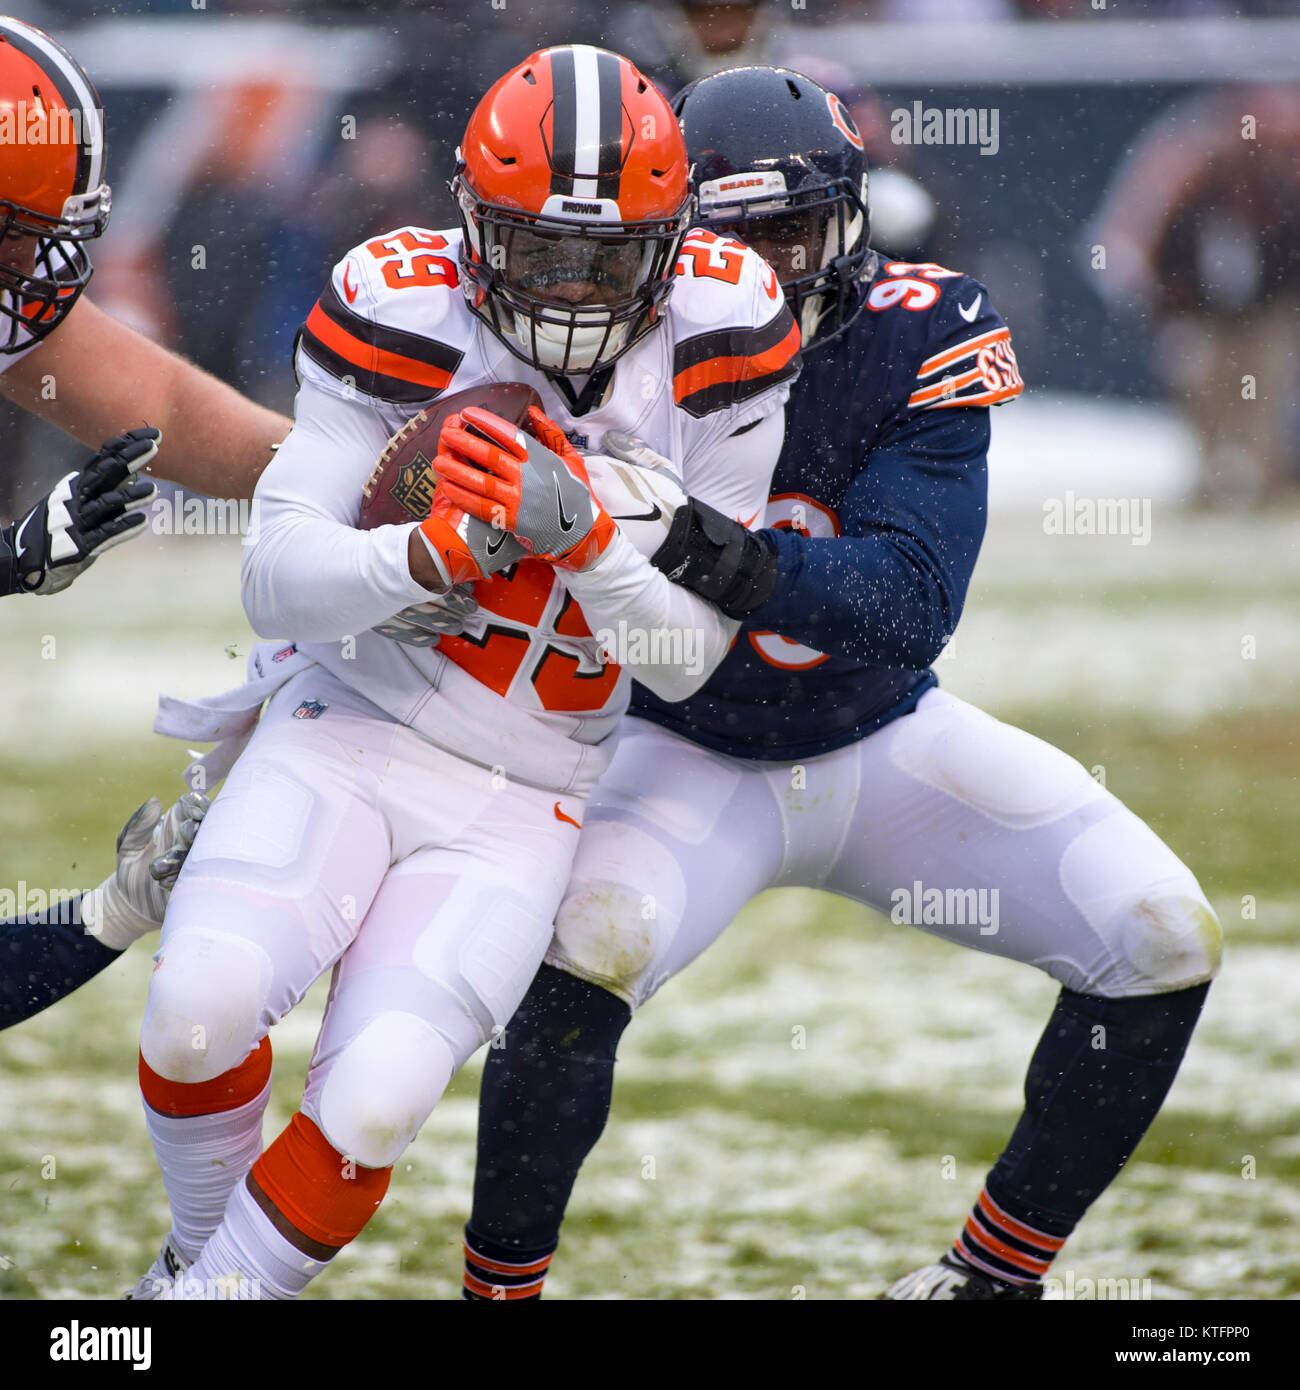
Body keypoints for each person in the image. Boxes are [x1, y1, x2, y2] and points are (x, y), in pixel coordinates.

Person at [461, 66, 1220, 1302]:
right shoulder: (607, 343)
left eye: (788, 234)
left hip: (876, 741)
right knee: (578, 958)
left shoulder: (920, 323)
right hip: (676, 748)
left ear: (852, 221)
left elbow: (903, 603)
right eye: (730, 241)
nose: (761, 275)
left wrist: (701, 542)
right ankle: (498, 1293)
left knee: (1158, 934)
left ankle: (991, 1274)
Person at [128, 43, 799, 1300]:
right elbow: (274, 574)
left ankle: (181, 1308)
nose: (573, 291)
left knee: (375, 1102)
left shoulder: (727, 333)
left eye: (608, 259)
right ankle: (195, 1278)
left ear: (674, 240)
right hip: (348, 713)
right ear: (470, 221)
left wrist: (590, 545)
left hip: (524, 790)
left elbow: (691, 662)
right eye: (541, 250)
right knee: (198, 1011)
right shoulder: (400, 301)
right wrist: (432, 552)